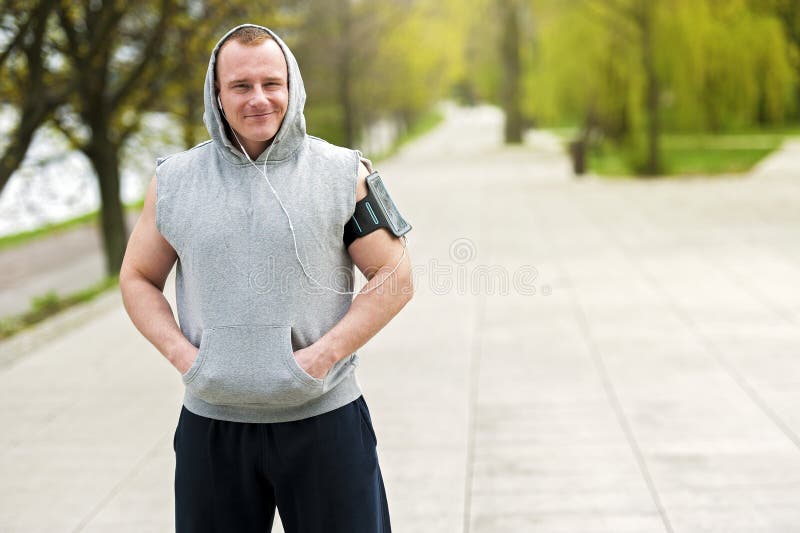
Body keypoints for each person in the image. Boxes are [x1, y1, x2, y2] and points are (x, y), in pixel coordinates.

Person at [119, 23, 413, 533]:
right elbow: (138, 277)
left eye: (271, 83)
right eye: (241, 86)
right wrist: (186, 357)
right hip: (212, 429)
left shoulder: (344, 173)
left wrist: (322, 356)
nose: (259, 98)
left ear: (292, 85)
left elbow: (395, 274)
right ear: (217, 93)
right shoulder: (174, 182)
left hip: (324, 423)